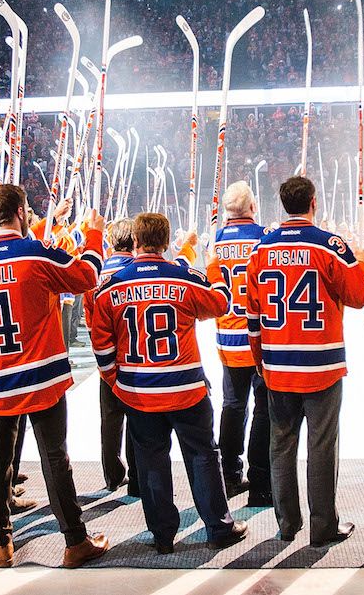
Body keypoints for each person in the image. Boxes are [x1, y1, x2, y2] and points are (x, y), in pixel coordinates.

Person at [0, 183, 109, 568]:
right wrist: (96, 233)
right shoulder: (35, 252)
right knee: (55, 457)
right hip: (43, 376)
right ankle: (74, 540)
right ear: (20, 212)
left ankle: (0, 543)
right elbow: (86, 276)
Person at [89, 212, 247, 554]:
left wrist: (115, 383)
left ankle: (162, 535)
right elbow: (221, 303)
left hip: (138, 391)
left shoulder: (112, 286)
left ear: (134, 241)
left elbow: (101, 343)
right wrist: (216, 267)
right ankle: (218, 527)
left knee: (151, 463)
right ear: (165, 241)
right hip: (185, 387)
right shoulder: (183, 278)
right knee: (203, 456)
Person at [245, 176, 364, 547]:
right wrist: (360, 262)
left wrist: (260, 361)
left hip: (278, 362)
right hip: (322, 362)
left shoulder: (261, 249)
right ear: (314, 202)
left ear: (283, 203)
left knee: (280, 444)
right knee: (321, 445)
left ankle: (286, 524)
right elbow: (360, 296)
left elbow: (253, 316)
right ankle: (323, 526)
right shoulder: (330, 246)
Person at [213, 182, 271, 506]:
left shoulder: (216, 240)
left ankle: (229, 475)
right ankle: (260, 479)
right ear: (252, 206)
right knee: (263, 409)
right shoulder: (264, 237)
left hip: (228, 336)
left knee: (233, 406)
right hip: (259, 336)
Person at [82, 218, 139, 495]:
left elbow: (89, 317)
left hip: (105, 352)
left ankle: (112, 474)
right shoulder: (136, 270)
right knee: (137, 415)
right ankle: (137, 473)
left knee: (110, 416)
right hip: (134, 352)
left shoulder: (97, 272)